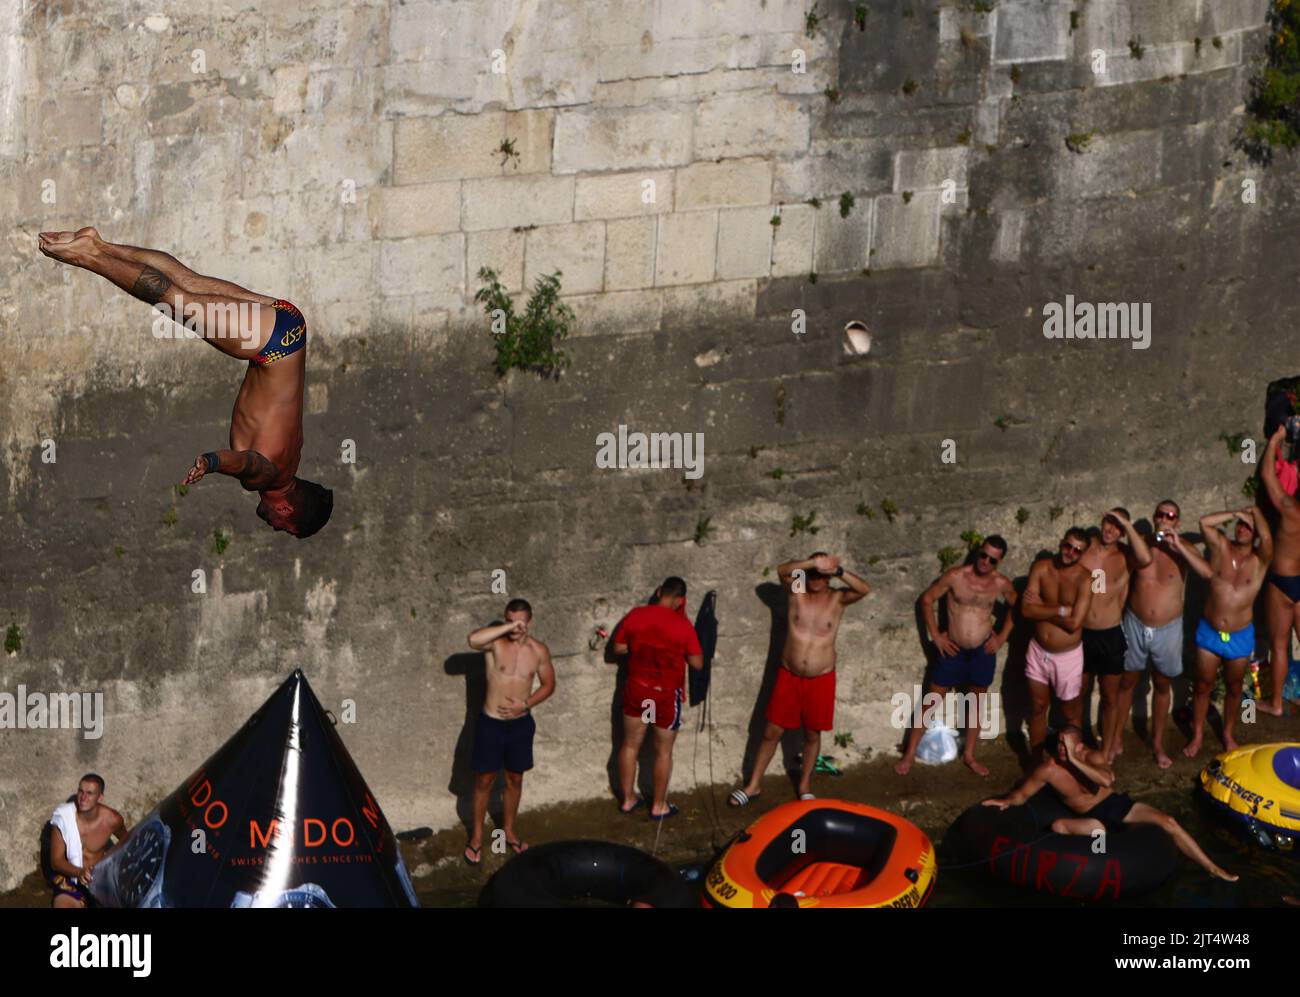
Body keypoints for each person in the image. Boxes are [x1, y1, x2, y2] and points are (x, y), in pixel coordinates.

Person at [39, 227, 332, 538]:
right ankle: (90, 256)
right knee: (172, 300)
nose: (274, 526)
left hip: (290, 327)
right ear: (287, 509)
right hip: (270, 346)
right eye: (283, 527)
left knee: (188, 282)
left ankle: (97, 243)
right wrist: (211, 462)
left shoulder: (293, 457)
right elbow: (247, 464)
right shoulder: (269, 478)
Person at [982, 725, 1235, 881]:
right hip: (1090, 817)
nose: (1060, 749)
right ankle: (1096, 867)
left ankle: (1212, 868)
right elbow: (1022, 795)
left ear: (1078, 746)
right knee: (1075, 828)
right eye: (1059, 744)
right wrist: (1006, 802)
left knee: (1169, 822)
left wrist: (1074, 759)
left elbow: (1106, 779)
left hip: (1114, 805)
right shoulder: (1048, 770)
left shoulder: (1093, 756)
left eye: (1066, 745)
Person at [730, 552, 870, 805]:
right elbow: (781, 570)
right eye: (812, 574)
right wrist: (811, 564)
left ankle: (804, 784)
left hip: (821, 679)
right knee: (771, 732)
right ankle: (753, 786)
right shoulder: (797, 592)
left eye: (821, 575)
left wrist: (837, 571)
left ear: (828, 578)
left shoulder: (837, 599)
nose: (816, 578)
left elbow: (864, 589)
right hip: (789, 675)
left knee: (812, 735)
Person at [896, 536, 1017, 776]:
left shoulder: (1000, 583)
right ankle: (909, 753)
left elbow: (1018, 606)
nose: (985, 561)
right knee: (931, 700)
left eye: (992, 559)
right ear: (978, 552)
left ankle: (970, 755)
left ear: (999, 561)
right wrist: (935, 637)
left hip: (982, 651)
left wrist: (1002, 636)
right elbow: (927, 600)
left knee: (975, 704)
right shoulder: (956, 576)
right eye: (983, 555)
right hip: (954, 649)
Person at [464, 599, 555, 865]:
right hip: (491, 724)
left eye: (521, 622)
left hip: (520, 725)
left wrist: (525, 704)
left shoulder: (538, 650)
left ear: (530, 621)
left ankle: (509, 831)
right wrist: (507, 628)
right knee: (484, 781)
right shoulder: (495, 644)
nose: (516, 627)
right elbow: (473, 640)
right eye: (510, 620)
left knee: (515, 780)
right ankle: (477, 837)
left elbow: (549, 684)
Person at [612, 578, 703, 820]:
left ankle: (629, 800)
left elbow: (618, 648)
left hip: (638, 689)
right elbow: (697, 663)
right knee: (663, 751)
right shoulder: (683, 626)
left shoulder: (636, 615)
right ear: (681, 600)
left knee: (630, 745)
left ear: (659, 592)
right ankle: (659, 806)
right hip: (663, 695)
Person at [1184, 507, 1272, 756]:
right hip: (1210, 632)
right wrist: (1236, 513)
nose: (1243, 529)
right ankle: (1198, 734)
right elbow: (1204, 522)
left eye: (1248, 527)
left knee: (1235, 687)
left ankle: (1227, 733)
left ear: (1255, 534)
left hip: (1240, 635)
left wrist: (1256, 511)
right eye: (1241, 525)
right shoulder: (1221, 547)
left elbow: (1268, 539)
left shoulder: (1260, 560)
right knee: (1202, 685)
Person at [1117, 499, 1196, 768]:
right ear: (1154, 517)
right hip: (1135, 622)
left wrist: (1179, 545)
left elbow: (1205, 572)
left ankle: (1157, 743)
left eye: (1170, 516)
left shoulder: (1183, 549)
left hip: (1168, 628)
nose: (1165, 519)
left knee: (1162, 685)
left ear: (1177, 522)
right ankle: (1115, 738)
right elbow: (1119, 576)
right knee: (1127, 681)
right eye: (1161, 514)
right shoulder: (1142, 544)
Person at [1079, 508, 1151, 763]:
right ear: (1102, 522)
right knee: (1080, 691)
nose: (1111, 530)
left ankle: (1107, 747)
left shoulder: (1125, 555)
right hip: (1083, 633)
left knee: (1110, 696)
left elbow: (1145, 559)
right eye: (1109, 523)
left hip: (1110, 634)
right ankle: (1077, 739)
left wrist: (1127, 526)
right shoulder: (1084, 550)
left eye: (1117, 527)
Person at [1020, 528, 1094, 754]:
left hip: (1067, 657)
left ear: (1082, 554)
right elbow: (1025, 610)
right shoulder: (1041, 568)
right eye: (1068, 546)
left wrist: (1040, 608)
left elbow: (1074, 624)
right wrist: (1061, 610)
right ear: (1061, 542)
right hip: (1038, 651)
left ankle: (1075, 760)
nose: (1070, 553)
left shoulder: (1085, 579)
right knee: (1038, 707)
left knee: (1070, 713)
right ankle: (1036, 761)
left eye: (1077, 551)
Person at [1261, 425, 1300, 716]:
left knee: (1279, 644)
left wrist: (1275, 439)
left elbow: (1267, 477)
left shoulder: (1289, 508)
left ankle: (1275, 703)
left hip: (1282, 580)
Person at [47, 774, 126, 907]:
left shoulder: (112, 820)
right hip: (71, 878)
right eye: (81, 791)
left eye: (89, 793)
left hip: (99, 880)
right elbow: (56, 861)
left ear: (100, 797)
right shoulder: (63, 818)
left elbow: (127, 842)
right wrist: (79, 872)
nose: (83, 797)